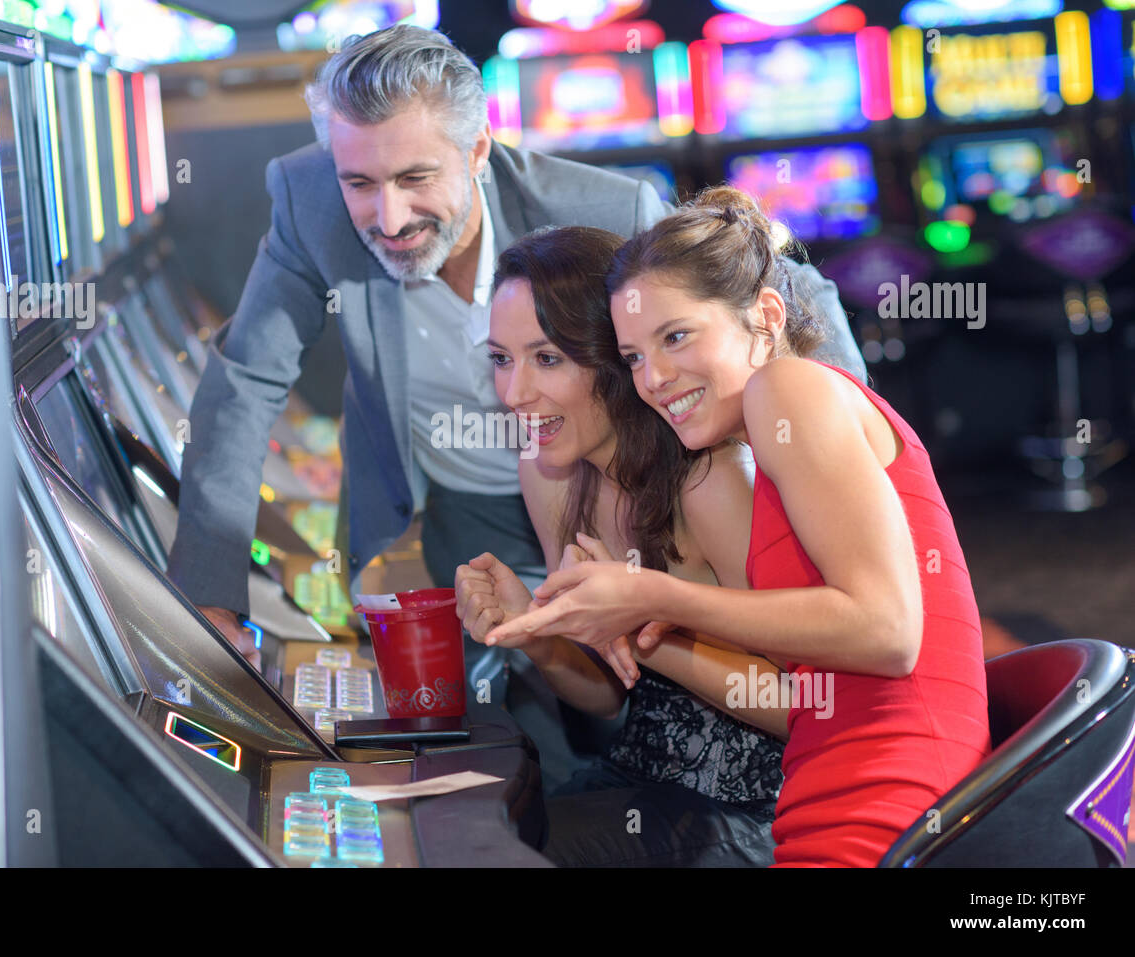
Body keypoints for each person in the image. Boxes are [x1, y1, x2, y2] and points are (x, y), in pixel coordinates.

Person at [165, 24, 863, 781]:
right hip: (464, 516)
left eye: (415, 178)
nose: (389, 219)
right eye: (359, 183)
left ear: (476, 150)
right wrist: (210, 601)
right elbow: (245, 381)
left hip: (611, 497)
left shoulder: (600, 207)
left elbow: (791, 294)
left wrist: (837, 470)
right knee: (511, 760)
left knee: (638, 726)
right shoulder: (309, 199)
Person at [486, 188, 993, 867]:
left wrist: (648, 602)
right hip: (833, 778)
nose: (654, 378)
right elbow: (820, 675)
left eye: (676, 337)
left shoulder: (786, 390)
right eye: (634, 357)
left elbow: (890, 635)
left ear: (767, 316)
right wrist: (561, 627)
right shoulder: (771, 429)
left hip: (894, 792)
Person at [457, 226, 788, 866]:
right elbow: (607, 694)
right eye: (500, 359)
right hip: (637, 778)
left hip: (754, 807)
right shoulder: (549, 474)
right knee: (463, 834)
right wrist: (536, 632)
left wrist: (639, 628)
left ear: (613, 357)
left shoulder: (710, 477)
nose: (514, 393)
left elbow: (797, 705)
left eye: (546, 359)